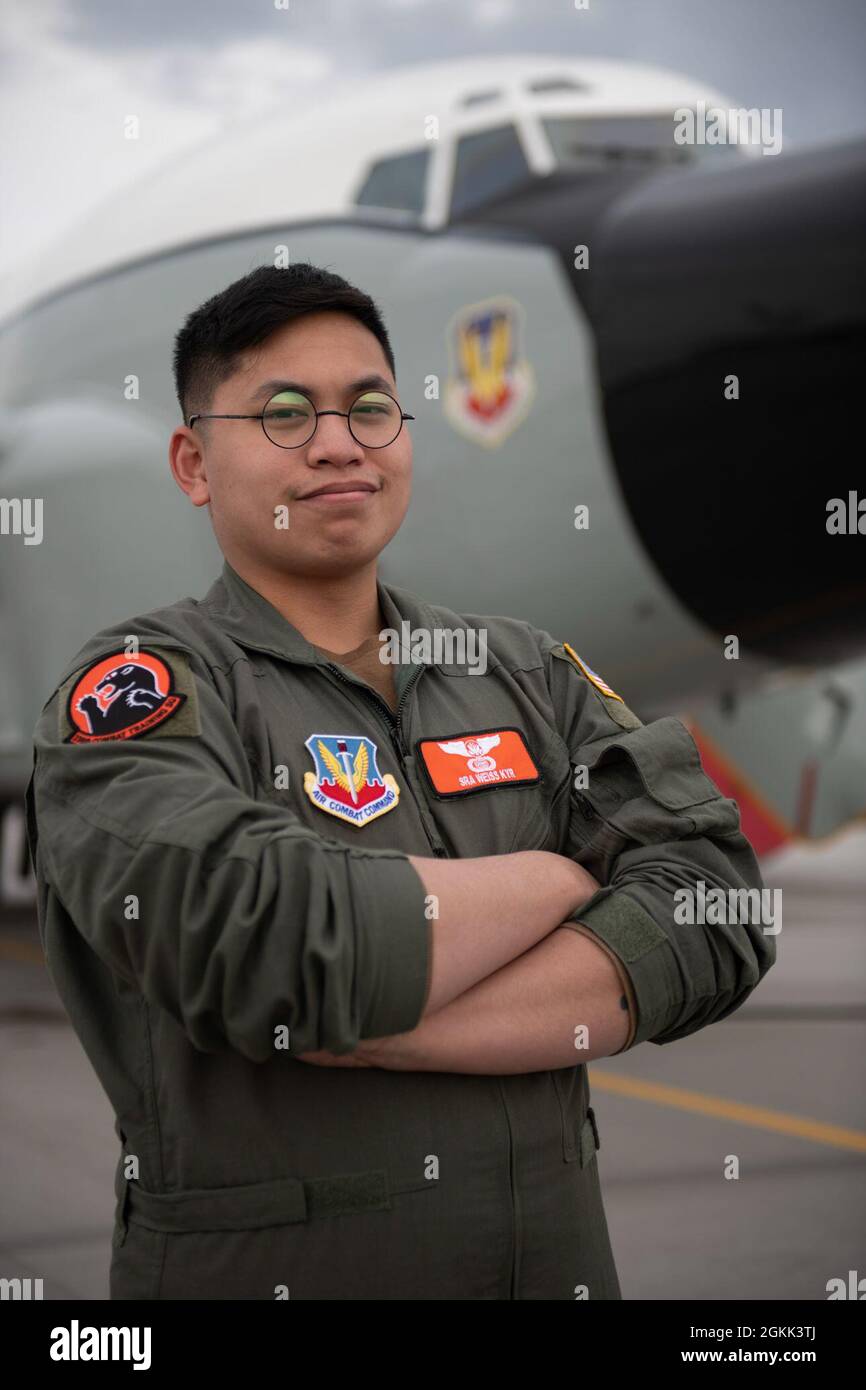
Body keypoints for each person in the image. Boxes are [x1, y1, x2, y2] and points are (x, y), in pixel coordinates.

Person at [25, 262, 775, 1300]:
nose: (338, 441)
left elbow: (716, 901)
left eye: (369, 407)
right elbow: (261, 941)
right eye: (283, 414)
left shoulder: (522, 672)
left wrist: (391, 1024)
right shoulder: (141, 692)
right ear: (193, 463)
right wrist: (557, 879)